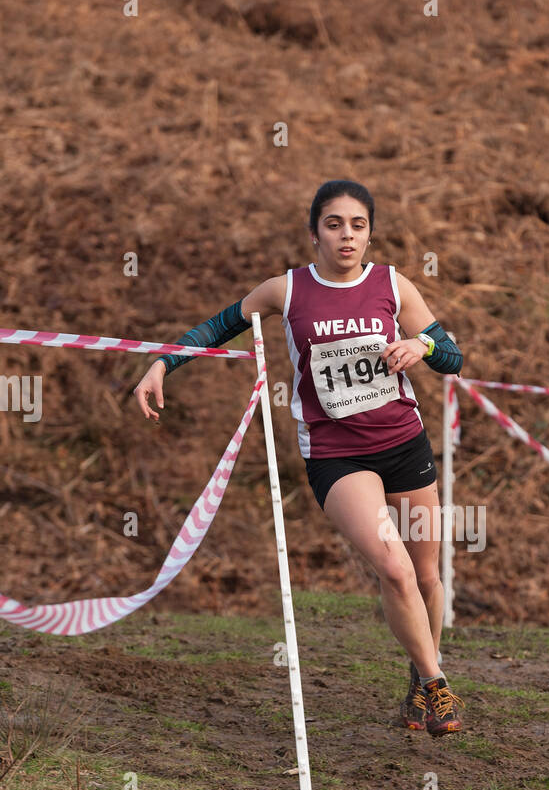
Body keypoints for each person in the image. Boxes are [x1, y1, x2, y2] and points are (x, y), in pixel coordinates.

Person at [133, 179, 464, 735]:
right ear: (314, 233)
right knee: (393, 566)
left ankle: (418, 682)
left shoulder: (392, 284)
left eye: (358, 225)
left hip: (404, 444)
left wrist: (423, 345)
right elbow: (217, 327)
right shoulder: (286, 291)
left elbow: (451, 355)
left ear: (370, 234)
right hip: (337, 454)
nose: (346, 236)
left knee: (427, 576)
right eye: (334, 224)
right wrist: (163, 364)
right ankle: (438, 686)